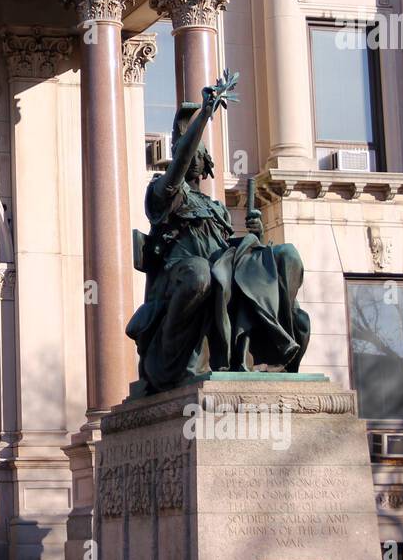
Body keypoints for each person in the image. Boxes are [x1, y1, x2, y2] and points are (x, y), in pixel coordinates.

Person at [126, 72, 310, 394]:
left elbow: (229, 249)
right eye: (188, 149)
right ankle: (173, 363)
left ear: (207, 161)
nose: (192, 154)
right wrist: (205, 115)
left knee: (285, 255)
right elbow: (180, 161)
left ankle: (281, 341)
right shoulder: (163, 193)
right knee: (202, 274)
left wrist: (256, 232)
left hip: (223, 267)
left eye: (198, 151)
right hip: (181, 275)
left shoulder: (216, 207)